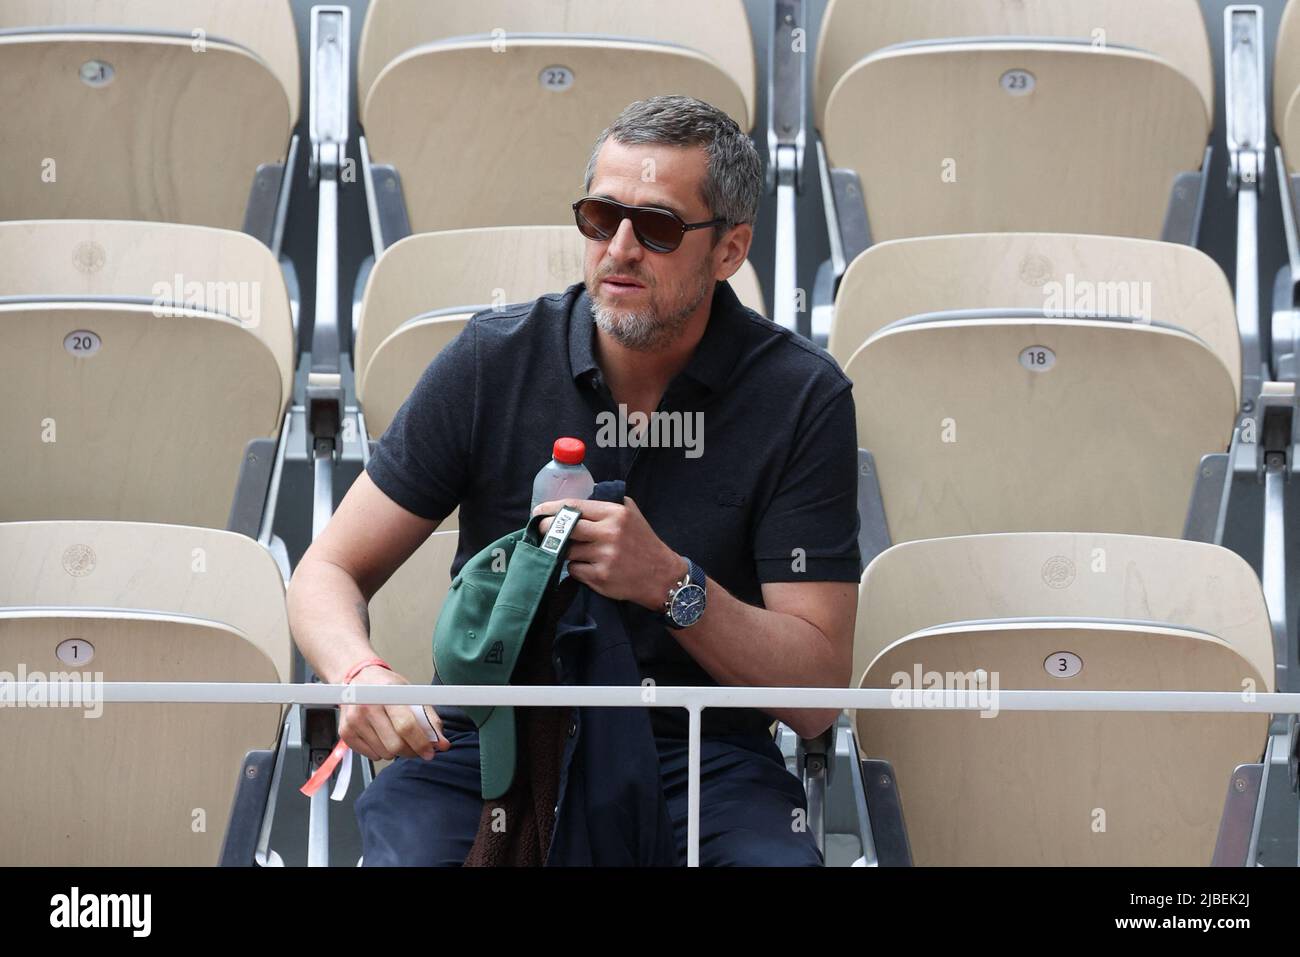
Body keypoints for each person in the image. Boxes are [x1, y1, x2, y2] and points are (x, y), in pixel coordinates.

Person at [287, 94, 861, 866]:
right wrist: (358, 670)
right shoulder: (493, 361)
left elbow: (816, 695)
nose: (620, 248)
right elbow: (326, 570)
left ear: (730, 250)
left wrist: (670, 583)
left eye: (656, 227)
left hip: (698, 756)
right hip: (495, 741)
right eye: (600, 217)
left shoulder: (801, 397)